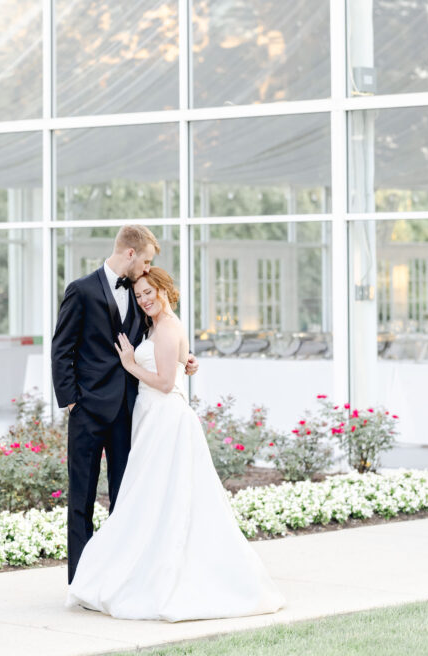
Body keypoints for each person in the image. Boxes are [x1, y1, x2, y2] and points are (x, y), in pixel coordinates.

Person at [66, 266, 285, 622]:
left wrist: (129, 362)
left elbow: (166, 383)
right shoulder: (154, 326)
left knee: (160, 498)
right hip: (150, 418)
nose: (144, 299)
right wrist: (185, 360)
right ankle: (136, 570)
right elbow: (174, 362)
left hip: (165, 419)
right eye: (139, 295)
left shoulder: (168, 327)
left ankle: (154, 577)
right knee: (151, 499)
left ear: (165, 289)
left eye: (149, 292)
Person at [51, 225, 198, 584]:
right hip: (87, 412)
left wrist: (185, 359)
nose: (148, 269)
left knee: (125, 498)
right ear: (130, 254)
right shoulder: (81, 290)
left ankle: (115, 581)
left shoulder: (140, 293)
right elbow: (61, 350)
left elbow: (158, 334)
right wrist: (72, 403)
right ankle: (81, 583)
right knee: (81, 500)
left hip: (129, 412)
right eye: (146, 260)